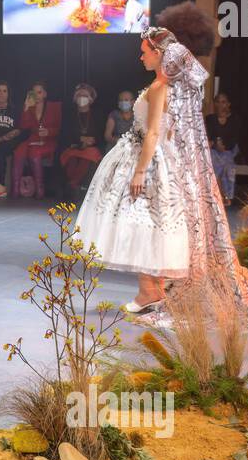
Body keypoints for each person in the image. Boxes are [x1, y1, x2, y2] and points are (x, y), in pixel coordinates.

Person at [158, 28, 248, 339]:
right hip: (187, 157)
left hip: (189, 159)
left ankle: (194, 273)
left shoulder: (177, 85)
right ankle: (184, 270)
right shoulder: (182, 89)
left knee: (195, 213)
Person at [73, 28, 188, 312]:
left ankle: (149, 291)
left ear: (158, 53)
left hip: (147, 160)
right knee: (147, 221)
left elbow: (153, 133)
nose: (140, 57)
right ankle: (153, 288)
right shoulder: (166, 85)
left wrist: (139, 171)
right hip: (155, 158)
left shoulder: (161, 87)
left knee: (139, 221)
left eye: (144, 52)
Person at [12, 81, 61, 200]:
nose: (37, 96)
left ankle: (40, 189)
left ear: (45, 94)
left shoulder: (55, 106)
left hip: (48, 141)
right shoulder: (31, 107)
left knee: (34, 152)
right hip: (33, 140)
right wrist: (26, 107)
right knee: (19, 151)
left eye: (39, 92)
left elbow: (61, 128)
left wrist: (48, 131)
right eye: (34, 93)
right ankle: (16, 188)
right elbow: (24, 126)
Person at [58, 82, 103, 199]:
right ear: (75, 98)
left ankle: (72, 185)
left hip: (91, 147)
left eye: (85, 95)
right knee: (71, 158)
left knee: (87, 157)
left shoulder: (98, 115)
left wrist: (91, 140)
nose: (82, 98)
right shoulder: (69, 114)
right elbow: (64, 133)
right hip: (74, 146)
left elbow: (101, 134)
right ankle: (74, 186)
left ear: (91, 99)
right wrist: (80, 139)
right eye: (79, 95)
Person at [205, 91, 241, 205]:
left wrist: (224, 147)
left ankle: (226, 195)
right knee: (214, 161)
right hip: (214, 149)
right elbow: (209, 136)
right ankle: (219, 195)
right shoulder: (210, 118)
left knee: (226, 163)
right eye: (218, 102)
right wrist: (216, 144)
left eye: (223, 102)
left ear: (228, 104)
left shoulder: (235, 119)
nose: (221, 104)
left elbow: (235, 138)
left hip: (230, 149)